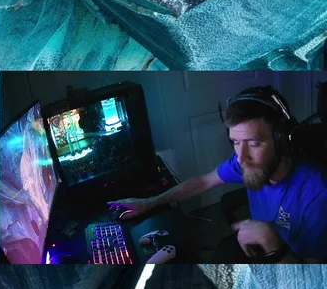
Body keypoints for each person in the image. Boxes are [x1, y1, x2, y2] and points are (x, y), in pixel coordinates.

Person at [108, 86, 326, 263]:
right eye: (235, 142)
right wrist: (148, 203)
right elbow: (202, 182)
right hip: (259, 244)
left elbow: (311, 285)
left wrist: (274, 248)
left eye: (254, 143)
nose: (241, 157)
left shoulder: (317, 194)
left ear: (282, 141)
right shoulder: (246, 163)